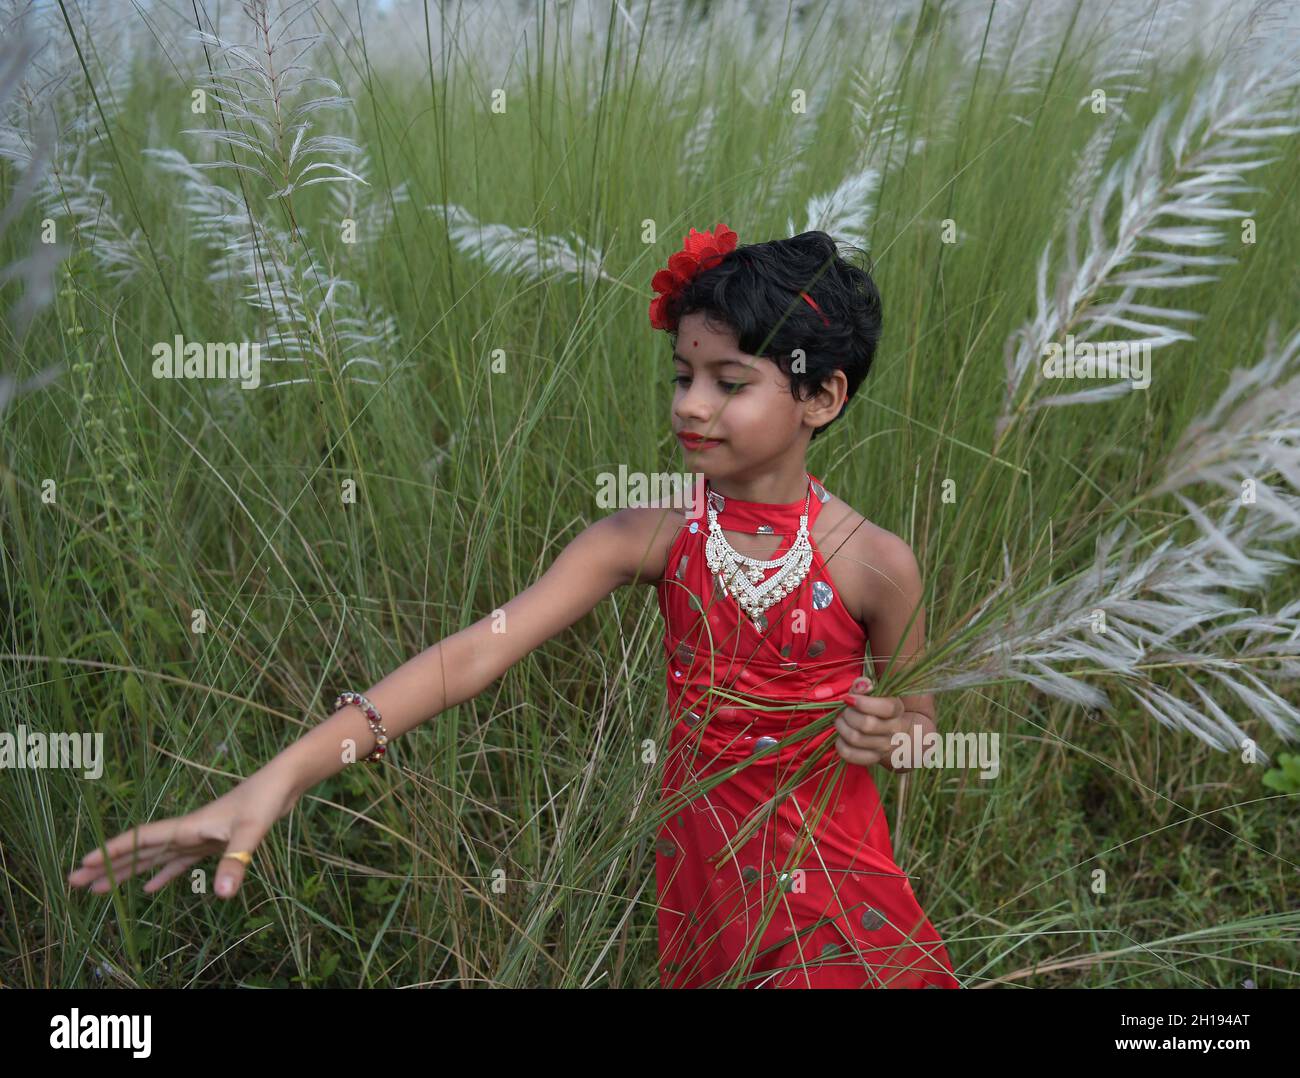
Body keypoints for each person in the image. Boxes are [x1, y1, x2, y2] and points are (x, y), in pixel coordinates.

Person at [68, 223, 959, 989]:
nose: (691, 406)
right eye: (682, 376)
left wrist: (897, 734)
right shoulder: (647, 540)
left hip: (837, 892)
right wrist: (283, 776)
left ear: (821, 397)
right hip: (703, 891)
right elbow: (475, 654)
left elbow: (921, 730)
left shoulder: (876, 566)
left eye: (730, 382)